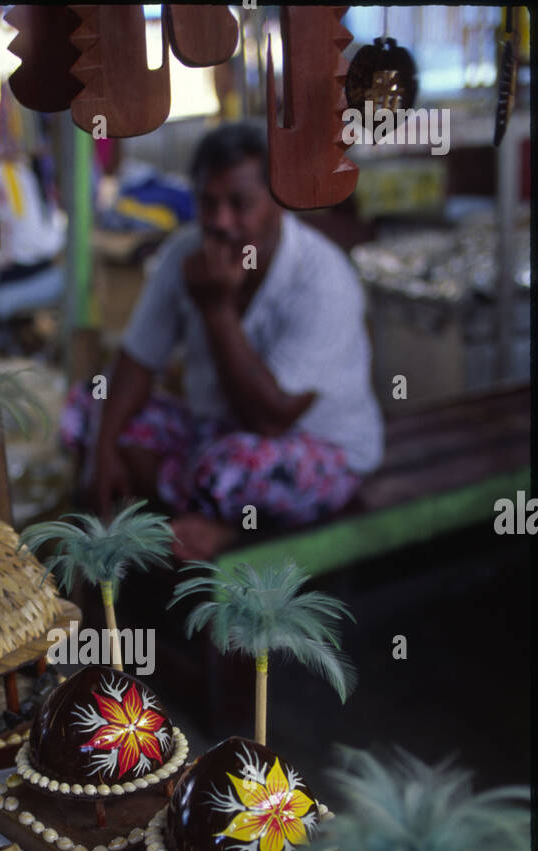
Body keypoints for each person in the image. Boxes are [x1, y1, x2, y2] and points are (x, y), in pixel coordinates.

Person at [60, 122, 384, 560]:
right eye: (208, 204)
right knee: (85, 409)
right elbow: (137, 361)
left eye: (239, 204)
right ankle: (187, 496)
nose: (220, 222)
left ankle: (220, 521)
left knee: (232, 466)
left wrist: (217, 310)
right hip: (213, 429)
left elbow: (272, 419)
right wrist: (103, 456)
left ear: (279, 201)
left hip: (313, 446)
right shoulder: (181, 255)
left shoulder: (322, 278)